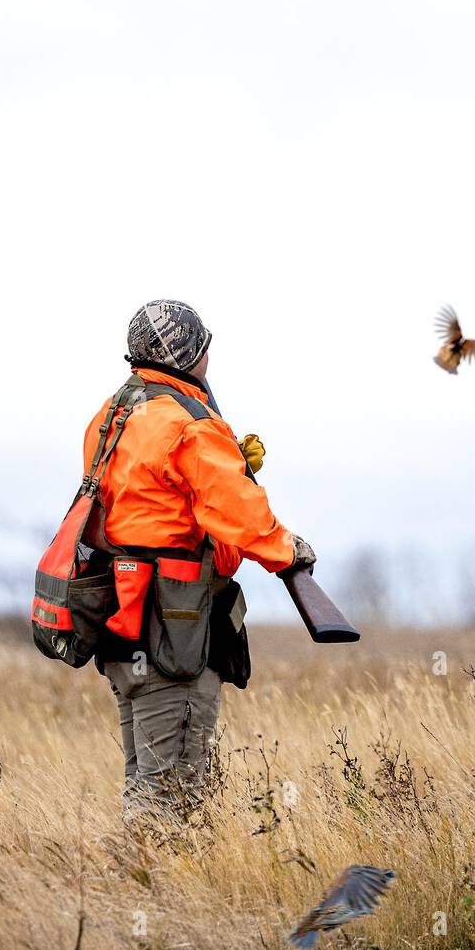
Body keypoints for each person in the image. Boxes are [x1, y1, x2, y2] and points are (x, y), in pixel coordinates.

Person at [84, 299, 314, 821]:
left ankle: (122, 896)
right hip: (175, 634)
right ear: (192, 353)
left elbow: (143, 506)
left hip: (125, 624)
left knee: (144, 786)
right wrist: (288, 548)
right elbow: (239, 516)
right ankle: (157, 897)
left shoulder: (115, 412)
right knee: (174, 799)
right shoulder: (188, 423)